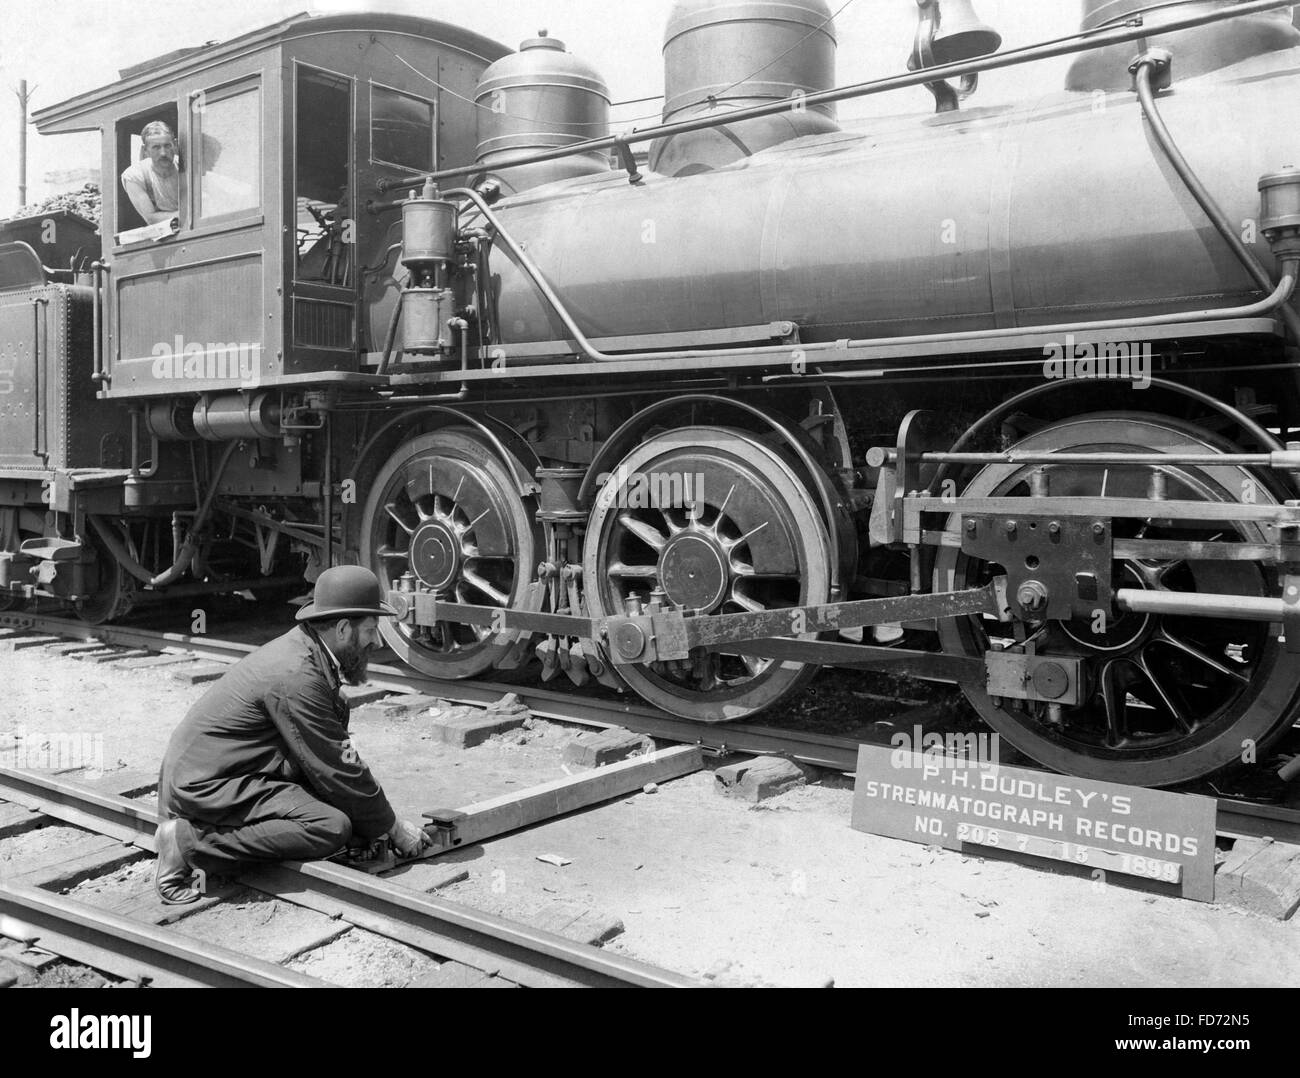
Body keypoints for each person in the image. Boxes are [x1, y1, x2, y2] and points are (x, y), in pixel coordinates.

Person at [153, 565, 432, 904]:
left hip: (228, 771)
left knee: (345, 792)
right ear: (343, 628)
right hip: (207, 785)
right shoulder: (297, 674)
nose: (376, 640)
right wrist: (392, 826)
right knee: (330, 827)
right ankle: (185, 842)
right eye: (371, 629)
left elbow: (327, 760)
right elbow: (337, 765)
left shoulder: (308, 653)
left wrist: (373, 821)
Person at [120, 121, 180, 225]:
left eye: (167, 146)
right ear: (145, 150)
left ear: (174, 145)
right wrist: (187, 213)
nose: (163, 153)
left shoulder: (186, 165)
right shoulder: (135, 175)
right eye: (156, 147)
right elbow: (151, 218)